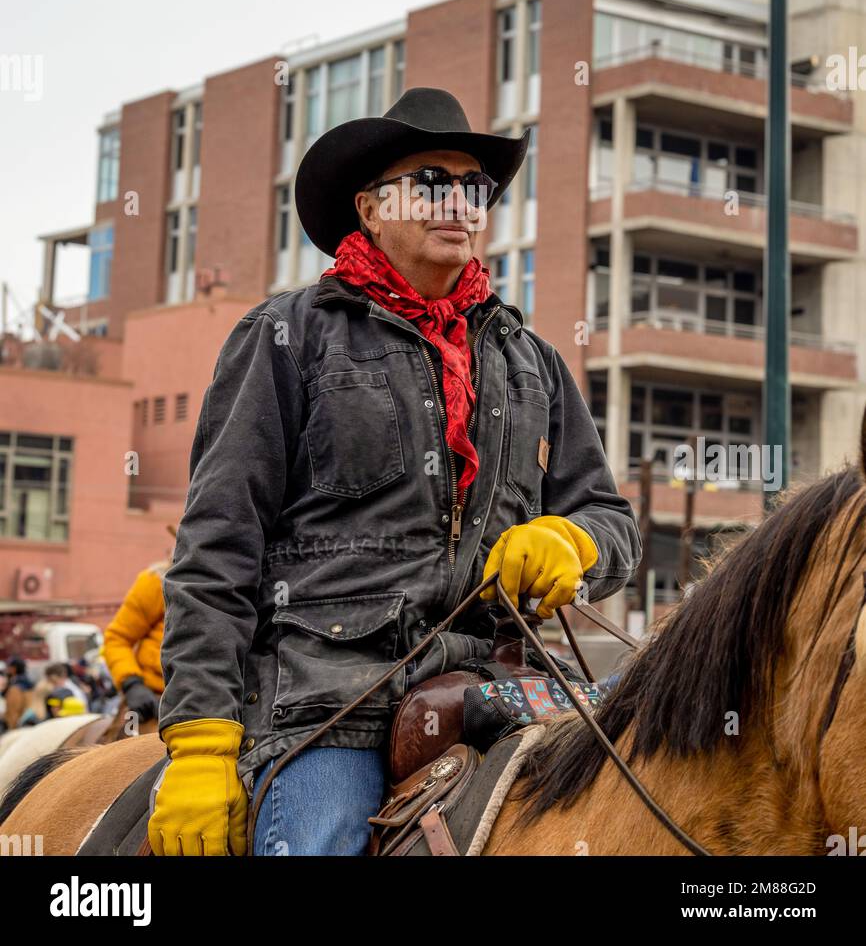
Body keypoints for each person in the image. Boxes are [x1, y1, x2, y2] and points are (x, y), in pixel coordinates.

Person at [148, 86, 641, 857]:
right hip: (329, 707)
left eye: (473, 186)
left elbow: (612, 521)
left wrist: (573, 543)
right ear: (371, 210)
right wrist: (201, 742)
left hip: (498, 689)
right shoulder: (285, 335)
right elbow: (217, 546)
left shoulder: (532, 361)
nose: (458, 202)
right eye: (430, 182)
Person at [101, 550, 171, 723]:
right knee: (126, 737)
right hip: (148, 703)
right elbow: (117, 639)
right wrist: (132, 684)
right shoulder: (157, 582)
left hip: (221, 706)